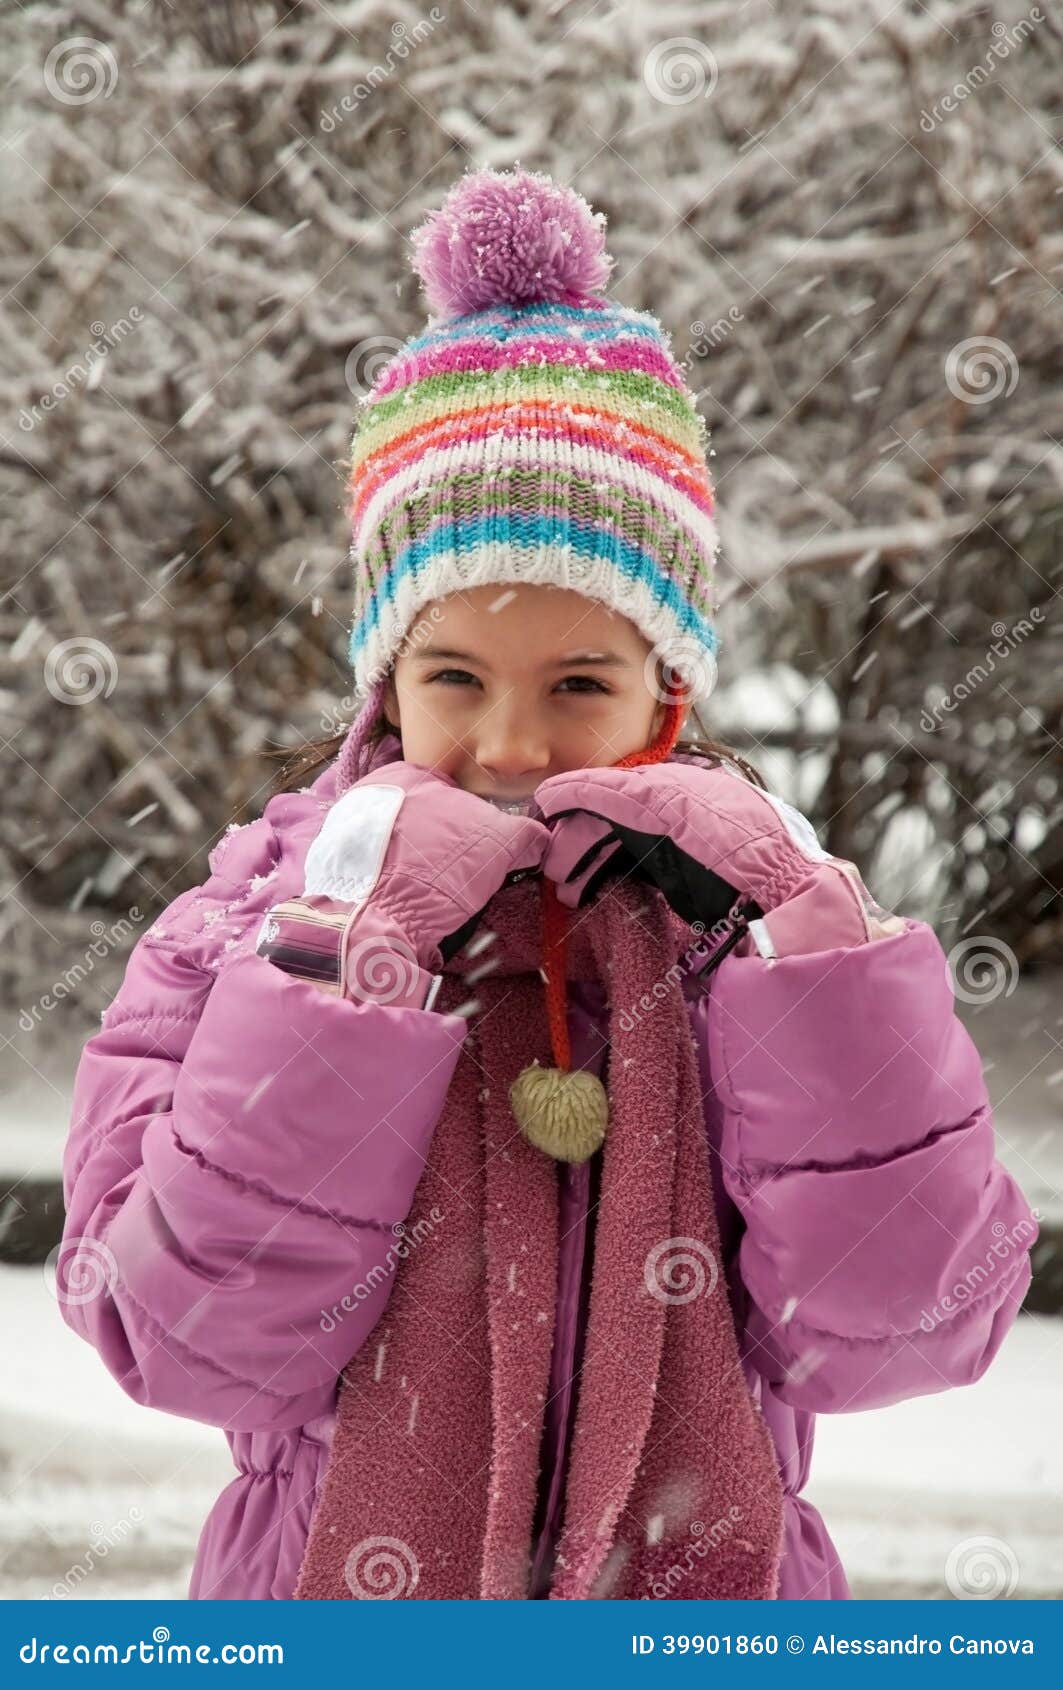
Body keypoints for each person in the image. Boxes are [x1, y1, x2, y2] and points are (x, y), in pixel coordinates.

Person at [58, 166, 1035, 1602]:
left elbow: (907, 1323)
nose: (511, 742)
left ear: (670, 679)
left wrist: (809, 947)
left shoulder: (748, 933)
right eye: (456, 674)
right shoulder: (246, 929)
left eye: (580, 680)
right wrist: (352, 956)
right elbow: (189, 1337)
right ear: (388, 672)